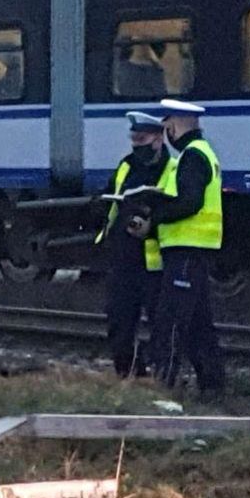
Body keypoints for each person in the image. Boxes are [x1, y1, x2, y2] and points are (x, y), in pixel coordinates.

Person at [132, 98, 225, 397]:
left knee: (169, 321)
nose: (167, 132)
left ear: (174, 125)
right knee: (199, 327)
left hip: (185, 251)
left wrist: (155, 217)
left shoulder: (192, 157)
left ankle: (163, 388)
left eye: (167, 125)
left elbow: (189, 202)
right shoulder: (202, 153)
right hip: (193, 251)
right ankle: (213, 388)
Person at [95, 111, 168, 378]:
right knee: (119, 319)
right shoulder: (127, 165)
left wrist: (150, 223)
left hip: (154, 261)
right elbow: (109, 200)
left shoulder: (170, 170)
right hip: (122, 258)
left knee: (161, 321)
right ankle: (125, 371)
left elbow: (177, 210)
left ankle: (161, 373)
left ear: (158, 139)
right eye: (134, 139)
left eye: (142, 138)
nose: (137, 144)